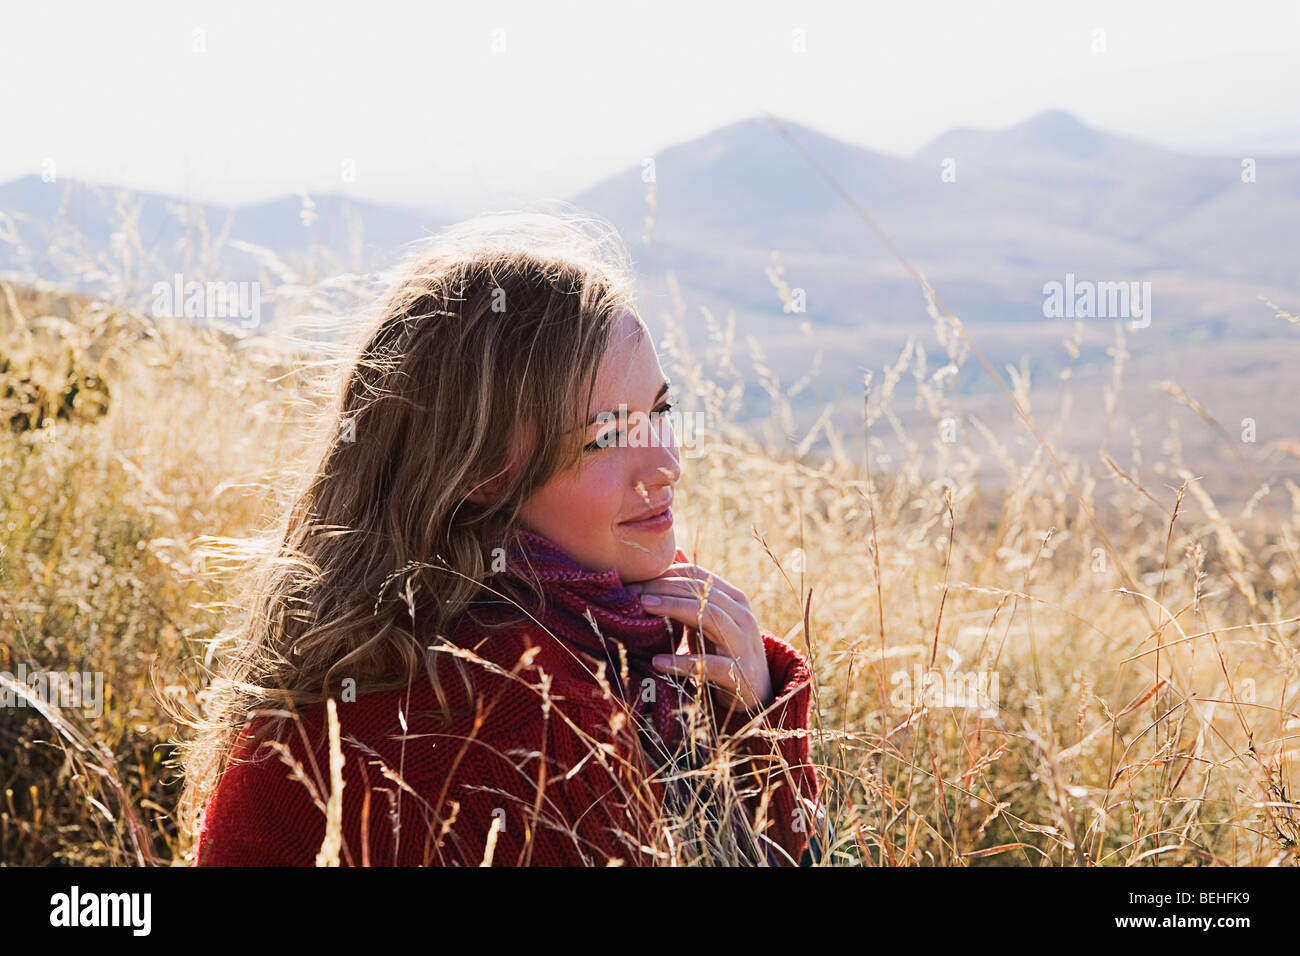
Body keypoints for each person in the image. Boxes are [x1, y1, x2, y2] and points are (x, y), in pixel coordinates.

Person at [182, 211, 821, 866]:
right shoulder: (504, 709)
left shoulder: (498, 625)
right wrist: (760, 742)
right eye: (606, 437)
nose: (666, 465)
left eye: (659, 411)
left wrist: (749, 713)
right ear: (482, 473)